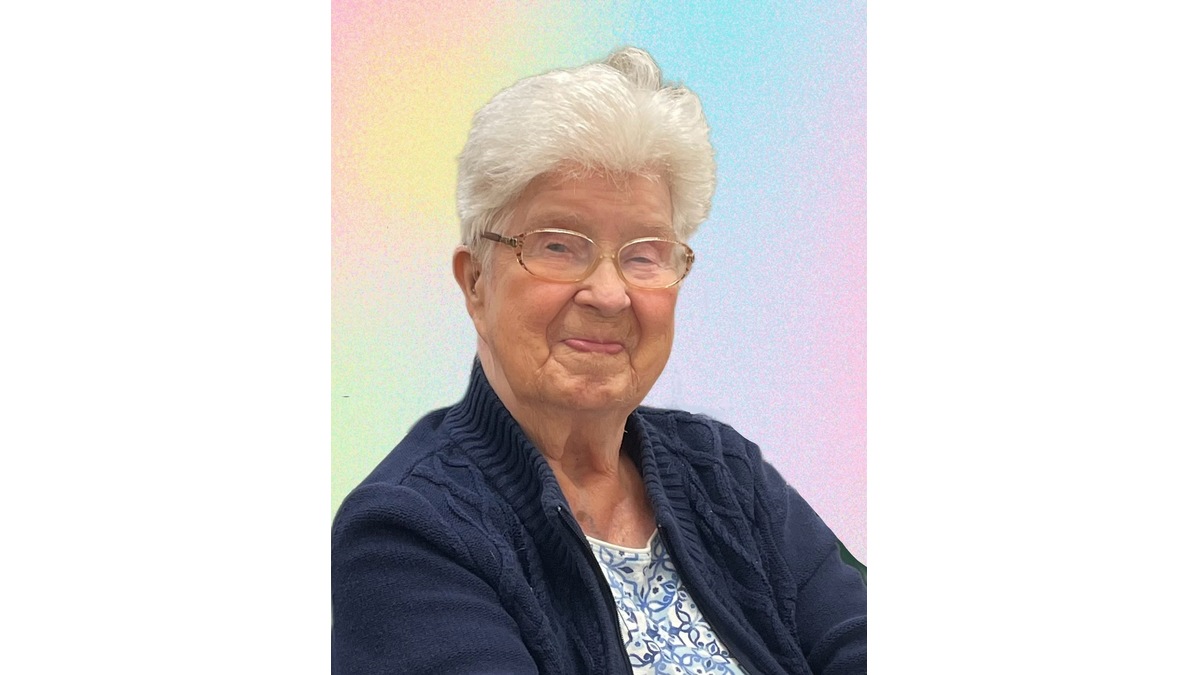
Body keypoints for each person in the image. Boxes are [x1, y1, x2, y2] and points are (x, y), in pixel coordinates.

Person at [332, 46, 867, 675]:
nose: (610, 294)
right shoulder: (409, 532)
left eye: (644, 255)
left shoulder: (726, 474)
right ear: (475, 281)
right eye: (559, 246)